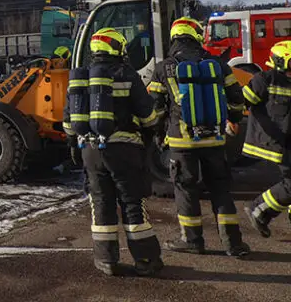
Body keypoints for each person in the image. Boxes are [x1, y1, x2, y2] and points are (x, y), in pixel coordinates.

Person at [147, 16, 250, 257]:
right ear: (196, 36)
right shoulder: (218, 65)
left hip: (181, 142)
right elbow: (237, 99)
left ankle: (192, 240)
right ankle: (233, 243)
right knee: (220, 188)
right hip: (214, 138)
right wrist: (233, 121)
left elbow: (156, 110)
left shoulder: (164, 68)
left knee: (185, 189)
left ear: (174, 37)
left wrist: (159, 135)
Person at [64, 27, 163, 276]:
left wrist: (75, 146)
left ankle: (106, 261)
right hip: (124, 151)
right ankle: (146, 260)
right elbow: (149, 116)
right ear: (117, 48)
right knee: (131, 204)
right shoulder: (126, 74)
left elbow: (67, 122)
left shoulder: (81, 77)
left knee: (101, 204)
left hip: (90, 151)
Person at [242, 40, 291, 236]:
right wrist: (231, 121)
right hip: (274, 141)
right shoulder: (264, 79)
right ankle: (258, 209)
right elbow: (242, 101)